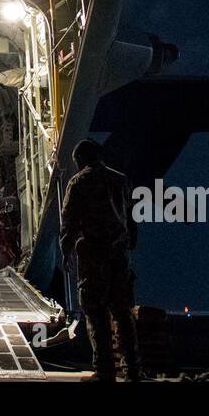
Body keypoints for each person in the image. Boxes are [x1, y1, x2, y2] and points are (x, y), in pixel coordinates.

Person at [59, 139, 142, 382]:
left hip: (94, 257)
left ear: (81, 160)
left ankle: (105, 369)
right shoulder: (121, 179)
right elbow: (130, 217)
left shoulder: (79, 182)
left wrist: (66, 251)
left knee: (96, 314)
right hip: (119, 256)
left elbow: (69, 222)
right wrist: (129, 246)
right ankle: (133, 369)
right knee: (123, 314)